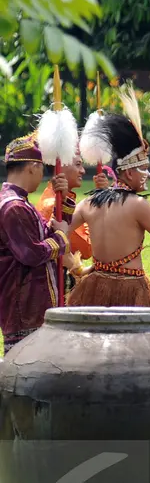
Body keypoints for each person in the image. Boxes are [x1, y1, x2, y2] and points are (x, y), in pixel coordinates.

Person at [69, 91, 150, 307]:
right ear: (128, 173)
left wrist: (81, 269)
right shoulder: (138, 205)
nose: (149, 175)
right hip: (131, 291)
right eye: (144, 169)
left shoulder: (88, 203)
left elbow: (59, 232)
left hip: (94, 289)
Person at [0, 136, 68, 353]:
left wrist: (64, 201)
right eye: (41, 169)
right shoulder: (14, 207)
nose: (42, 176)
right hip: (24, 305)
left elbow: (45, 233)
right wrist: (62, 239)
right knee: (25, 369)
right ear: (32, 167)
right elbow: (32, 252)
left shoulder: (20, 203)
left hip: (29, 302)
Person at [37, 150, 102, 294]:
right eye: (78, 164)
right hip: (61, 284)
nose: (83, 171)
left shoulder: (61, 200)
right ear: (60, 167)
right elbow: (84, 249)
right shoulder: (53, 204)